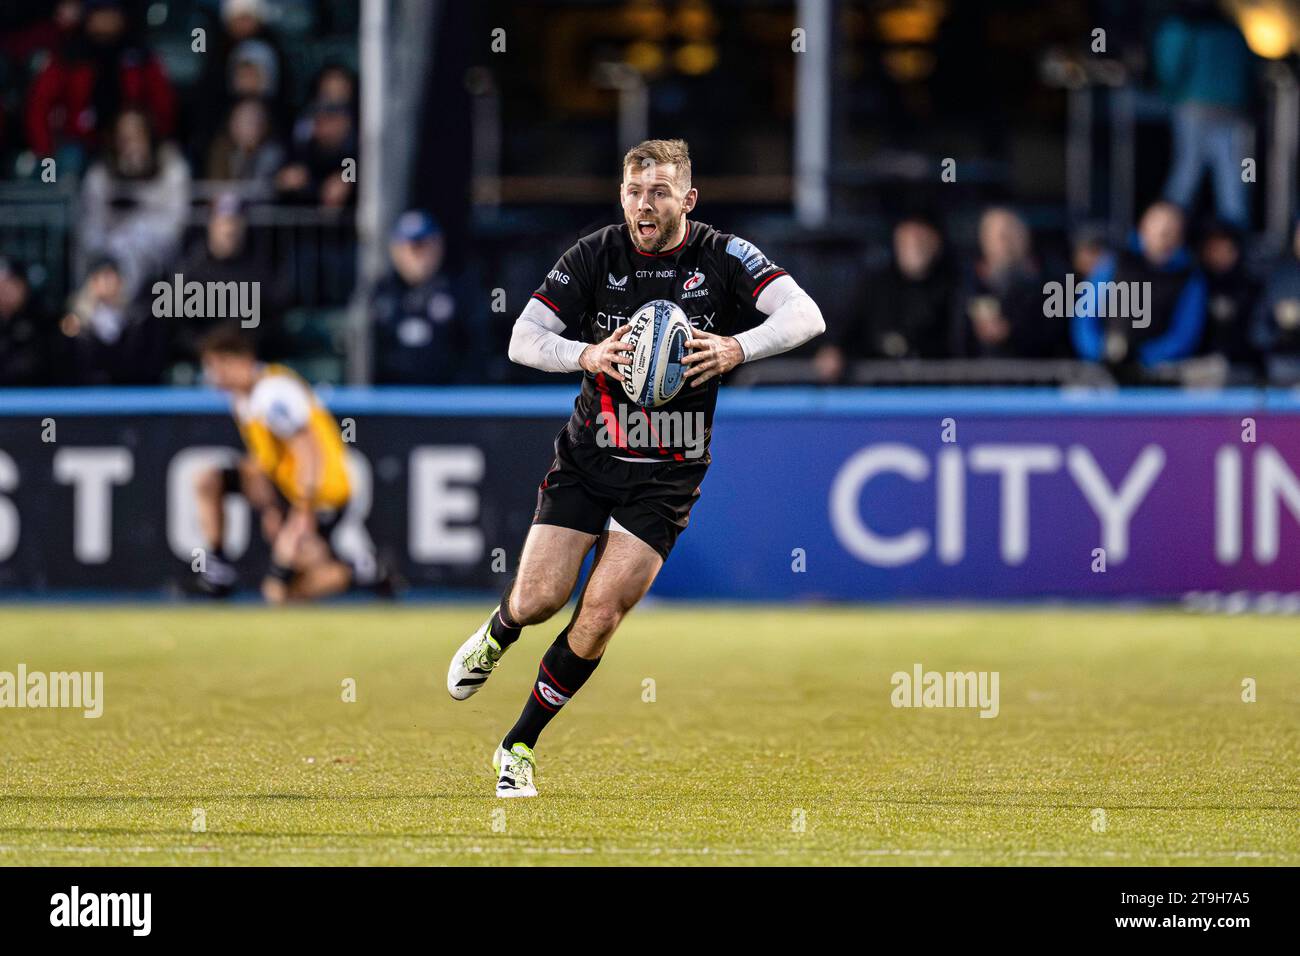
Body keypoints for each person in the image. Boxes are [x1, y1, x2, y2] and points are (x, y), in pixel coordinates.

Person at [444, 139, 825, 797]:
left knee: (600, 615)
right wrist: (586, 356)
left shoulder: (723, 254)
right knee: (540, 597)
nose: (644, 205)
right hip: (591, 456)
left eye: (658, 192)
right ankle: (498, 631)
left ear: (688, 198)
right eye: (633, 192)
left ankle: (518, 746)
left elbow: (806, 315)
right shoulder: (595, 255)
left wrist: (738, 346)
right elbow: (522, 339)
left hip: (667, 472)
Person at [194, 325, 394, 602]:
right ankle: (218, 569)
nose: (213, 378)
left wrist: (302, 513)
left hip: (322, 495)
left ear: (240, 361)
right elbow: (262, 462)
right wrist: (269, 510)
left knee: (282, 592)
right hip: (291, 492)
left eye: (217, 367)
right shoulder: (243, 400)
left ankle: (362, 571)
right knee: (208, 479)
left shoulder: (272, 394)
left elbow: (308, 453)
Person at [24, 0, 175, 170]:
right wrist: (44, 148)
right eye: (99, 13)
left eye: (110, 13)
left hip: (130, 137)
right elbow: (39, 105)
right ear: (88, 18)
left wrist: (156, 138)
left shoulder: (140, 55)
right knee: (68, 162)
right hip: (79, 140)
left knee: (159, 162)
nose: (105, 20)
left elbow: (162, 103)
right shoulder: (69, 55)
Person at [813, 213, 951, 382]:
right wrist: (834, 348)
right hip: (880, 390)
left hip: (938, 390)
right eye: (906, 242)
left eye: (920, 241)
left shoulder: (953, 285)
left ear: (935, 242)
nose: (913, 248)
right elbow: (847, 328)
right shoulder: (875, 286)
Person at [1155, 1, 1257, 230]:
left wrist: (1169, 94)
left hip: (1195, 105)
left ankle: (1166, 233)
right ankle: (1234, 239)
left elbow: (1170, 67)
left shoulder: (1180, 27)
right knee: (1232, 178)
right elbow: (1251, 67)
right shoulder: (1232, 29)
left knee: (1187, 172)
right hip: (1232, 107)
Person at [1072, 201, 1207, 371]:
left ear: (1180, 235)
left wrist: (1143, 358)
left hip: (1159, 375)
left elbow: (1185, 334)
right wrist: (1099, 350)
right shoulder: (1115, 263)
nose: (1163, 234)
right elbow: (1085, 315)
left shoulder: (1189, 277)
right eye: (1158, 227)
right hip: (1104, 368)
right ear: (1144, 228)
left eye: (1171, 229)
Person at [79, 106, 190, 301]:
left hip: (157, 248)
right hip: (109, 250)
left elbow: (176, 221)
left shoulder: (171, 165)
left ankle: (121, 311)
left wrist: (138, 218)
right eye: (124, 136)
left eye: (137, 134)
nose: (131, 142)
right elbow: (91, 225)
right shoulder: (101, 172)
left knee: (129, 250)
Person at [170, 192, 284, 375]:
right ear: (212, 224)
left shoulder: (259, 269)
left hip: (249, 363)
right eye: (223, 221)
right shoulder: (191, 271)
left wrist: (244, 351)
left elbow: (274, 320)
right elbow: (177, 328)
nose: (229, 229)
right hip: (203, 364)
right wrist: (207, 351)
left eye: (234, 222)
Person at [369, 211, 470, 384]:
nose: (417, 256)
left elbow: (473, 351)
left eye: (425, 246)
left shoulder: (459, 292)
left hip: (445, 399)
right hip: (388, 399)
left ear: (439, 246)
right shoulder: (379, 292)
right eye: (411, 247)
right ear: (396, 250)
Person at [951, 207, 1064, 358]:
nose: (1005, 242)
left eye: (1012, 233)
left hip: (1041, 374)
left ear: (1026, 235)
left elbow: (1060, 336)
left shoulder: (1054, 279)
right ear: (984, 240)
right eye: (998, 236)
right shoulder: (968, 283)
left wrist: (1013, 332)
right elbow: (958, 340)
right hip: (983, 376)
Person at [60, 253, 166, 385]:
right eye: (102, 277)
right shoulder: (75, 321)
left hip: (128, 391)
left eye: (111, 276)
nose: (107, 283)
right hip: (86, 393)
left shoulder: (136, 319)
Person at [1195, 221, 1258, 366]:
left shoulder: (1250, 288)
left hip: (1242, 367)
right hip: (1196, 364)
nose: (1220, 254)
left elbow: (1256, 334)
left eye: (1227, 248)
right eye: (1214, 248)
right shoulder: (1194, 283)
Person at [0, 258, 55, 387]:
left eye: (10, 284)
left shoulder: (41, 318)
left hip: (35, 396)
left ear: (23, 286)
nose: (4, 290)